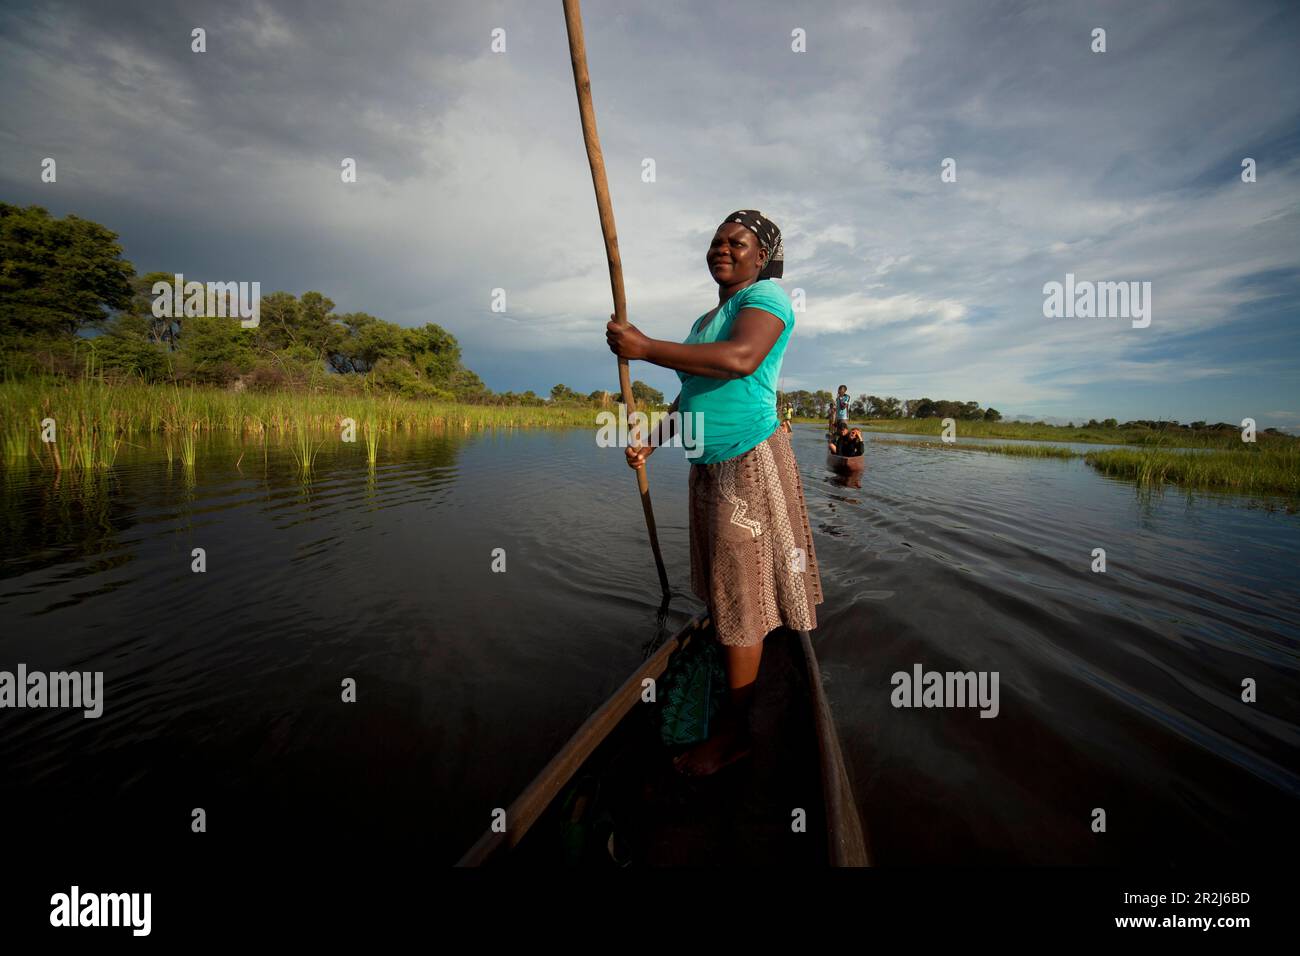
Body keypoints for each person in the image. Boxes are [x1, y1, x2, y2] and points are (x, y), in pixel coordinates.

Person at [606, 209, 824, 777]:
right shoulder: (709, 316)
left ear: (762, 256)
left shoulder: (767, 301)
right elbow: (692, 394)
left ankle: (735, 735)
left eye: (738, 242)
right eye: (717, 240)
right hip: (707, 465)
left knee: (740, 593)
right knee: (729, 584)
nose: (723, 248)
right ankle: (738, 654)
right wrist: (652, 442)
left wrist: (647, 347)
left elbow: (739, 360)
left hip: (748, 462)